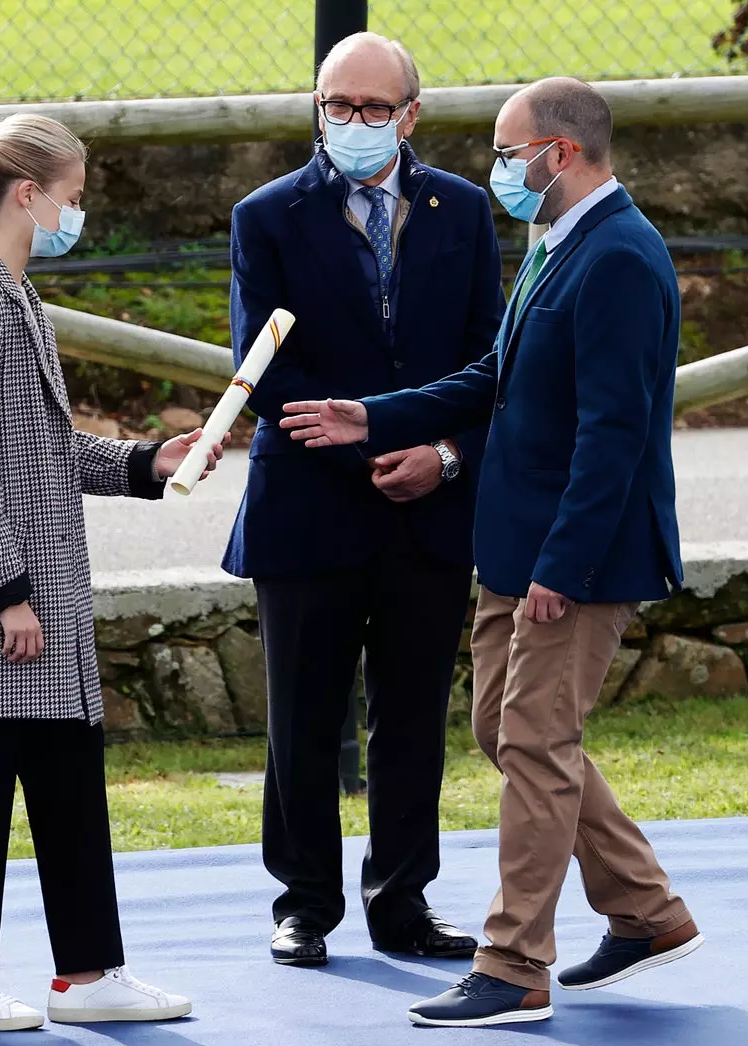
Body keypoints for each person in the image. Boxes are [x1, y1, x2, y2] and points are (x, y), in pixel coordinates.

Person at [283, 76, 702, 1027]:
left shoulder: (622, 257)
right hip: (516, 549)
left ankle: (513, 962)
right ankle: (645, 908)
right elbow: (495, 376)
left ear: (562, 154)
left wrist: (565, 565)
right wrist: (369, 414)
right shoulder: (558, 243)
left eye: (512, 153)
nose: (498, 171)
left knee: (538, 743)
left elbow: (614, 435)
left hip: (571, 558)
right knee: (501, 730)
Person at [0, 113, 219, 1032]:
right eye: (73, 196)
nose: (81, 212)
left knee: (69, 780)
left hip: (36, 601)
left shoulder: (16, 301)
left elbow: (35, 451)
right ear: (28, 196)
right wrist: (6, 593)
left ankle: (88, 968)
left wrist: (145, 461)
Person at [225, 32, 504, 968]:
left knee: (413, 715)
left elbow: (487, 365)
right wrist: (370, 451)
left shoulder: (463, 212)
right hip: (310, 502)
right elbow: (265, 369)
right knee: (304, 716)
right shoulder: (265, 216)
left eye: (373, 108)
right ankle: (305, 902)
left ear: (411, 115)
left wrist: (442, 455)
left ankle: (403, 901)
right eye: (335, 104)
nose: (351, 122)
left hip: (428, 509)